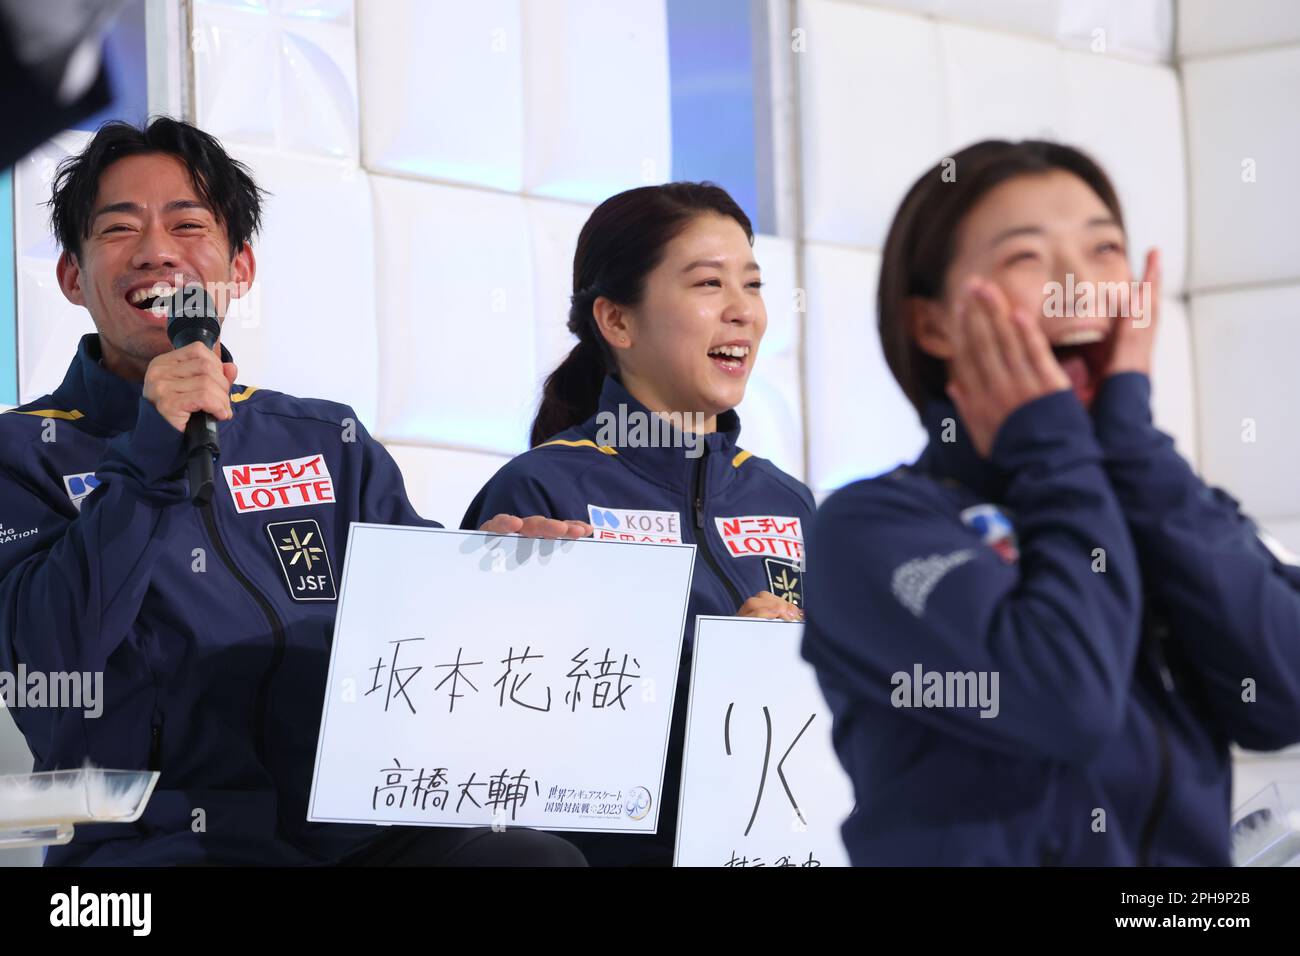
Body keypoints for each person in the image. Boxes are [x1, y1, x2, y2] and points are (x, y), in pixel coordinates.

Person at [0, 117, 590, 866]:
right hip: (156, 843)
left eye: (189, 225)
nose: (156, 251)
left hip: (356, 836)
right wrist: (150, 453)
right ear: (72, 278)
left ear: (240, 268)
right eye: (119, 229)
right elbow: (43, 658)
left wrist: (500, 572)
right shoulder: (22, 452)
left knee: (535, 860)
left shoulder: (324, 439)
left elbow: (421, 620)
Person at [801, 139, 1300, 865]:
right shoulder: (872, 529)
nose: (1080, 285)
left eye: (1104, 250)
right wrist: (1056, 452)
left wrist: (1133, 449)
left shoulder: (1155, 494)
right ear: (931, 323)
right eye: (1027, 258)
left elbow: (1281, 694)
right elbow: (1065, 702)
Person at [462, 182, 814, 864]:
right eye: (709, 283)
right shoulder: (542, 489)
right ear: (617, 322)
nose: (742, 311)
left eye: (753, 283)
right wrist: (717, 677)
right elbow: (495, 746)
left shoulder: (789, 502)